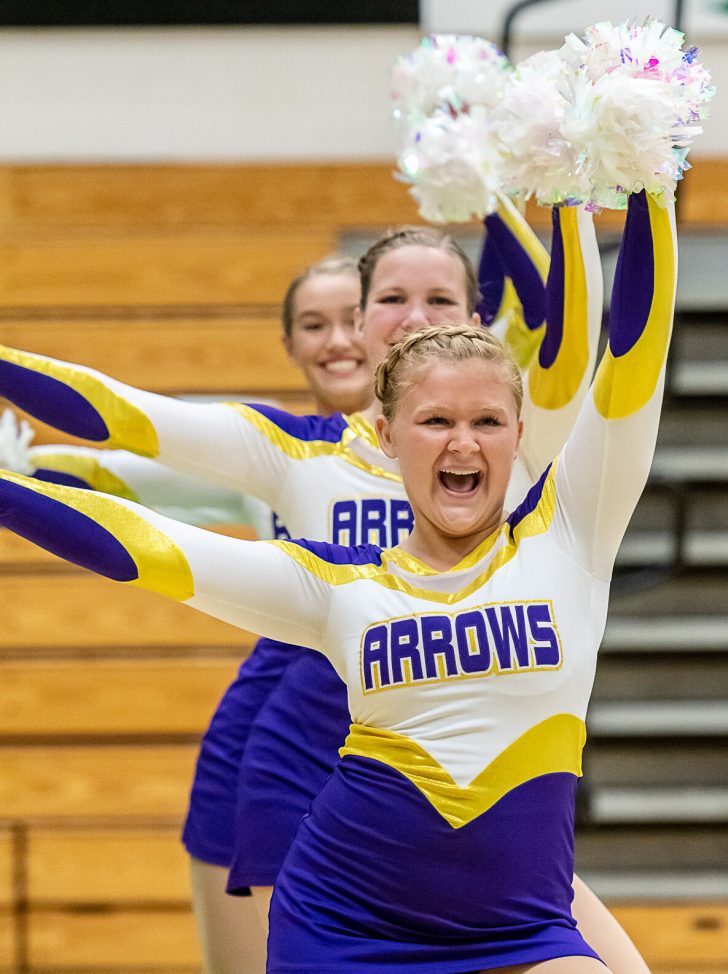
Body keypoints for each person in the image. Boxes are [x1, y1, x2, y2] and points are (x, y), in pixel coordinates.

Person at [0, 199, 655, 971]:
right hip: (319, 786)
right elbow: (134, 472)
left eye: (439, 300)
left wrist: (578, 177)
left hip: (494, 834)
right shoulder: (303, 481)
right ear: (361, 317)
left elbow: (590, 342)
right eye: (390, 300)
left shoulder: (538, 488)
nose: (413, 317)